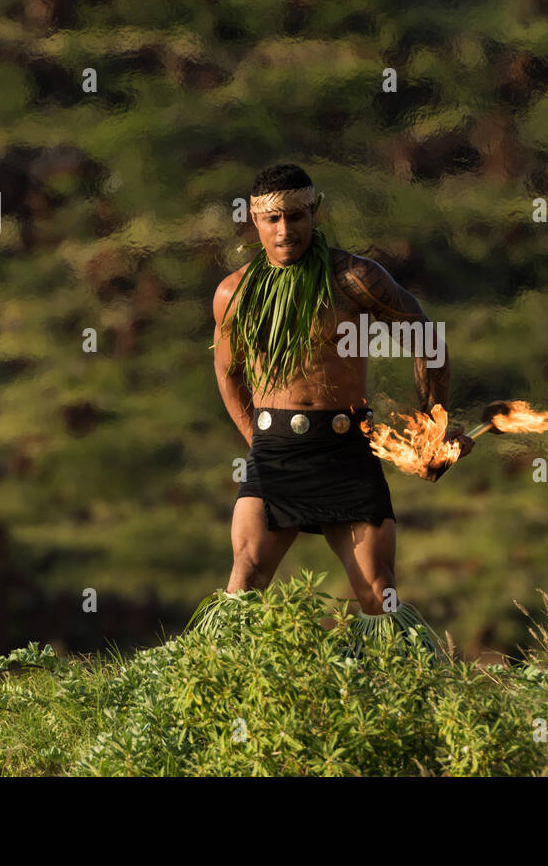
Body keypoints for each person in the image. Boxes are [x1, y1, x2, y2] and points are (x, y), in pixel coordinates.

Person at [202, 162, 473, 656]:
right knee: (244, 579)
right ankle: (213, 693)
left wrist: (433, 427)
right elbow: (228, 371)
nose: (286, 230)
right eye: (273, 219)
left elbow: (424, 336)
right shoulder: (234, 292)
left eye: (297, 217)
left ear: (315, 212)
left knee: (377, 589)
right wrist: (256, 441)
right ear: (254, 222)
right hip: (275, 450)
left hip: (345, 448)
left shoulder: (354, 278)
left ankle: (410, 695)